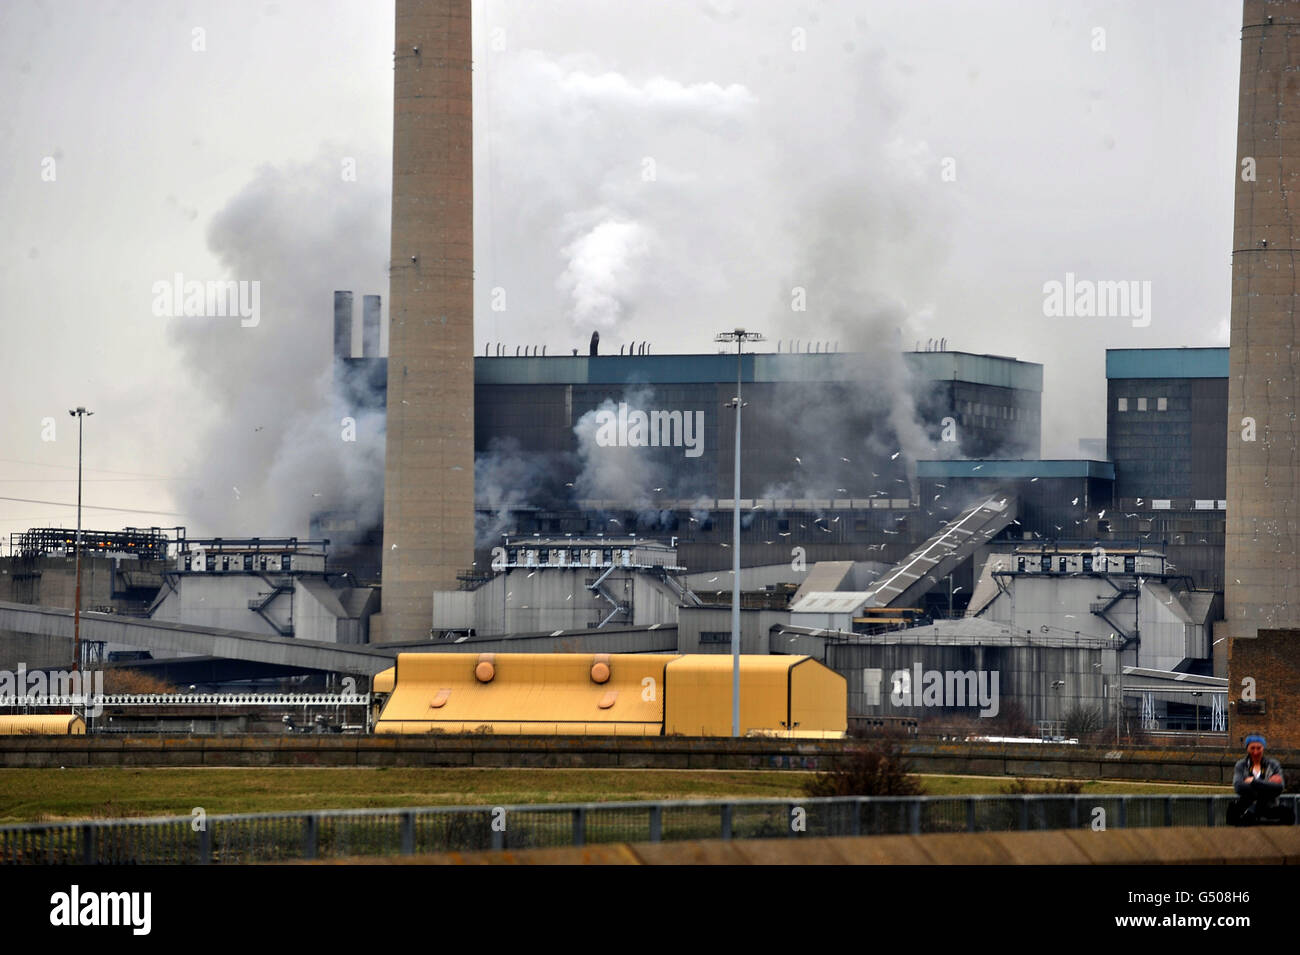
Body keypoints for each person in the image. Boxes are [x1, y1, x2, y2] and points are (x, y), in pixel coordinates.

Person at [1229, 734, 1294, 826]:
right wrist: (1267, 786)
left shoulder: (1273, 765)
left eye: (1258, 748)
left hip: (1270, 811)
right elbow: (1238, 787)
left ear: (1263, 748)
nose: (1255, 752)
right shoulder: (1241, 765)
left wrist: (1253, 782)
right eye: (1252, 748)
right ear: (1247, 748)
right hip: (1246, 812)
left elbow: (1279, 787)